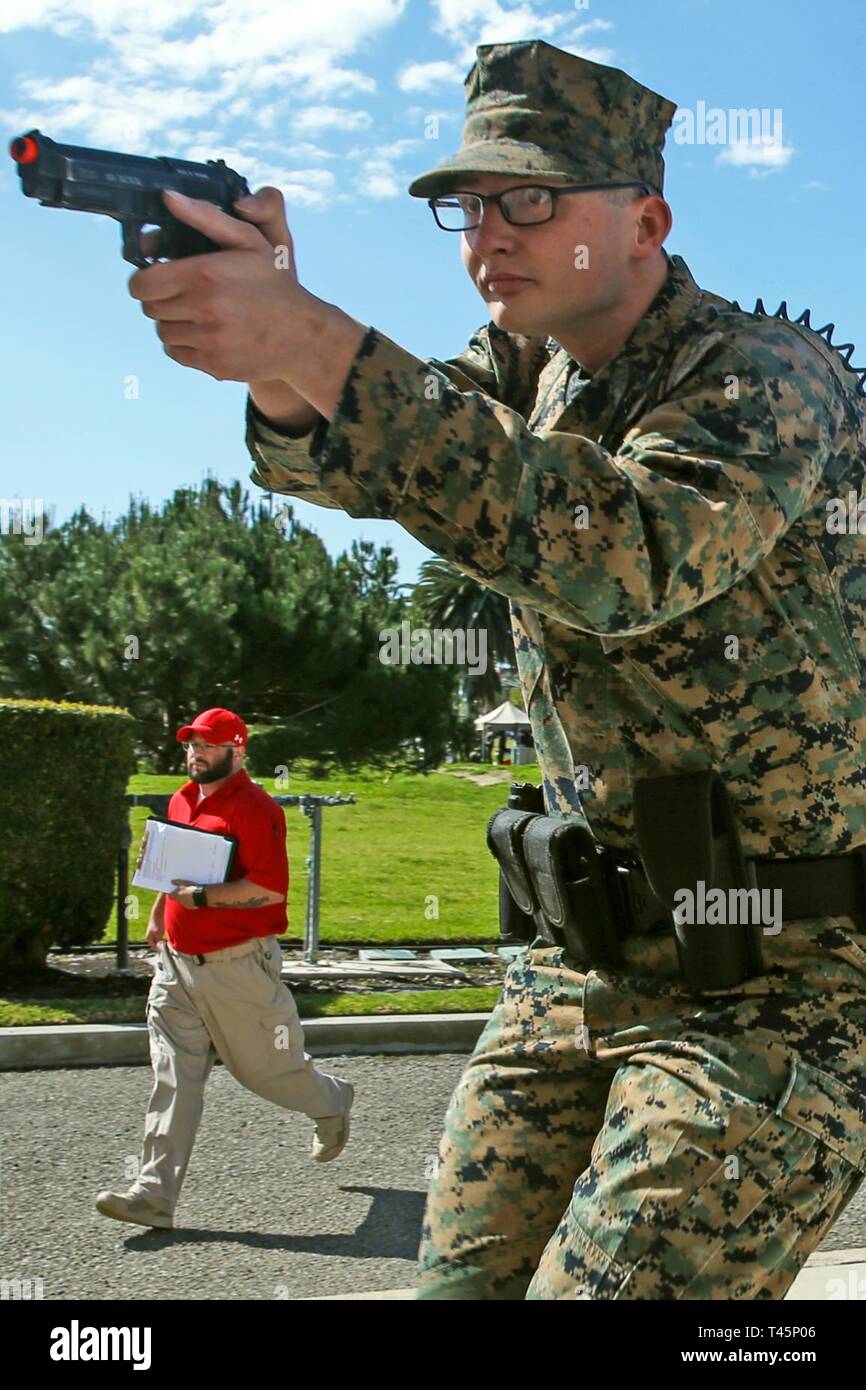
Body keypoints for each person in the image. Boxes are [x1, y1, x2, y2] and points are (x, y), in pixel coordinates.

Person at [127, 40, 866, 1297]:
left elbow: (621, 557)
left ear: (645, 221)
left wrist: (317, 340)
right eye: (467, 206)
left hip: (775, 975)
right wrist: (280, 356)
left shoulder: (761, 376)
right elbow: (362, 452)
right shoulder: (526, 366)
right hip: (574, 961)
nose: (489, 235)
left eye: (530, 198)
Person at [95, 707, 354, 1231]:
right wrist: (159, 913)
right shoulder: (182, 799)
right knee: (173, 1077)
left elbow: (269, 890)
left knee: (266, 1074)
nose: (196, 753)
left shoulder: (257, 809)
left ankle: (331, 1100)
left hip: (237, 967)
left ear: (238, 750)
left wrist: (203, 898)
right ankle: (153, 1195)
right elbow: (173, 872)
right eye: (191, 744)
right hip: (176, 966)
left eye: (208, 744)